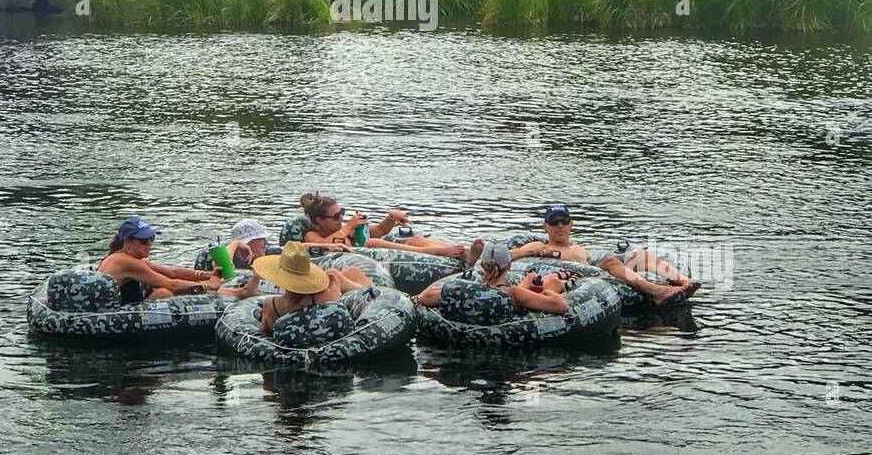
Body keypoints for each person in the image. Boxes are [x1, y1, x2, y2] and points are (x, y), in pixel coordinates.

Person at [510, 203, 699, 306]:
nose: (560, 225)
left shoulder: (578, 249)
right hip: (575, 280)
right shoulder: (539, 245)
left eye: (564, 220)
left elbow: (592, 263)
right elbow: (509, 255)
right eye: (554, 221)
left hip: (594, 271)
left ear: (571, 224)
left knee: (640, 255)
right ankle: (657, 291)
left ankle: (683, 281)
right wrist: (535, 251)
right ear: (545, 227)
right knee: (610, 260)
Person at [98, 217, 258, 304]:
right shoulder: (124, 262)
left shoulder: (131, 258)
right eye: (143, 240)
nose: (149, 245)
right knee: (164, 293)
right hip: (119, 312)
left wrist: (208, 275)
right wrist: (207, 286)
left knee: (166, 289)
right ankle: (240, 294)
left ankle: (240, 293)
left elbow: (172, 272)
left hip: (133, 301)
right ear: (127, 242)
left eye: (151, 239)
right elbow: (171, 284)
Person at [298, 192, 483, 266]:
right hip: (350, 266)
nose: (341, 218)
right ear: (320, 220)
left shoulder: (349, 229)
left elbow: (378, 230)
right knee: (372, 243)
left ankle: (465, 253)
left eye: (342, 213)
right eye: (336, 216)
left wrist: (391, 218)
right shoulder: (312, 235)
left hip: (374, 256)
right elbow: (323, 245)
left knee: (416, 240)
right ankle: (442, 252)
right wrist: (348, 226)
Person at [413, 240, 570, 315]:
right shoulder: (515, 294)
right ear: (508, 266)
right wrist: (548, 289)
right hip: (503, 344)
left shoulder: (460, 290)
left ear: (482, 265)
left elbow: (425, 297)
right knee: (550, 283)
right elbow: (561, 305)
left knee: (530, 279)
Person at [255, 241, 372, 333]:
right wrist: (335, 285)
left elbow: (264, 331)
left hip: (293, 348)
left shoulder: (270, 305)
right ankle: (378, 289)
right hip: (326, 336)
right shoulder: (322, 295)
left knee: (344, 272)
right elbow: (339, 310)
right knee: (341, 273)